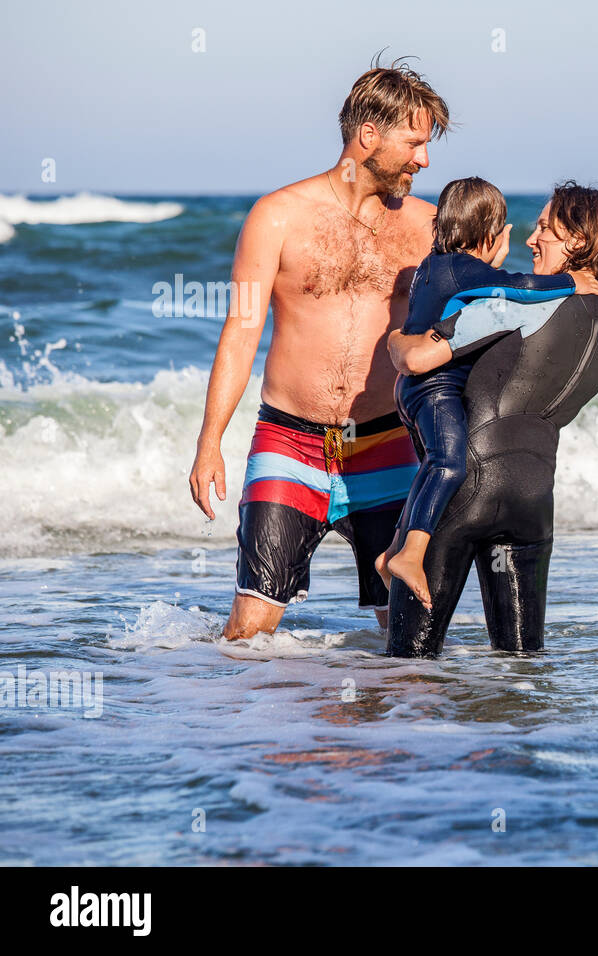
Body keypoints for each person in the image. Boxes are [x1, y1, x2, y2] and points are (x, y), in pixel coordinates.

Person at [187, 60, 449, 639]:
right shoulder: (277, 216)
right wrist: (210, 442)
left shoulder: (429, 229)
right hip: (288, 443)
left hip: (387, 445)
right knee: (250, 637)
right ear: (368, 135)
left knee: (410, 641)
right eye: (414, 143)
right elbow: (240, 331)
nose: (423, 161)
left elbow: (476, 323)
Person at [387, 182, 598, 658]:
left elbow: (418, 357)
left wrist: (395, 339)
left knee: (408, 665)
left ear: (580, 241)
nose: (532, 238)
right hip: (532, 504)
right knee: (522, 671)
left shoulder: (516, 306)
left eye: (546, 227)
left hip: (463, 494)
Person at [376, 177, 590, 608]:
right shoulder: (463, 268)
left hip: (415, 391)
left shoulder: (433, 267)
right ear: (490, 233)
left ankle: (392, 553)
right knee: (450, 466)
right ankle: (410, 555)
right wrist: (572, 282)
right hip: (435, 387)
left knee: (432, 468)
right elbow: (520, 287)